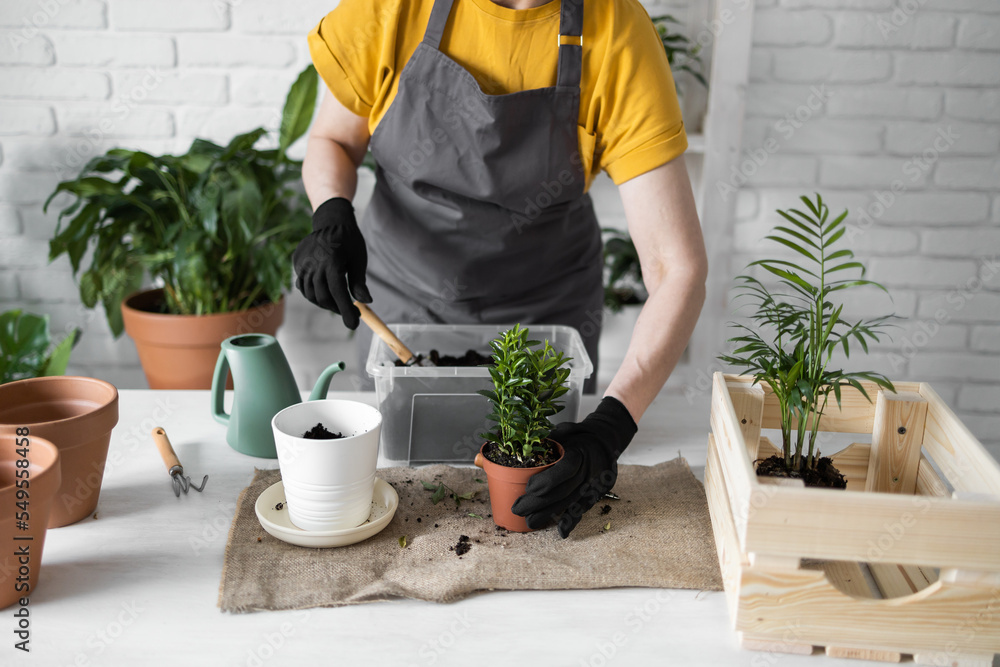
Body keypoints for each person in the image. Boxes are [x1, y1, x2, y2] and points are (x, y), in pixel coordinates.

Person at [294, 0, 708, 537]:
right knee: (405, 485)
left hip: (545, 320)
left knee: (538, 491)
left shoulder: (618, 31)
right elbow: (334, 140)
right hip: (402, 305)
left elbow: (679, 268)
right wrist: (330, 214)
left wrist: (611, 426)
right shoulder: (396, 8)